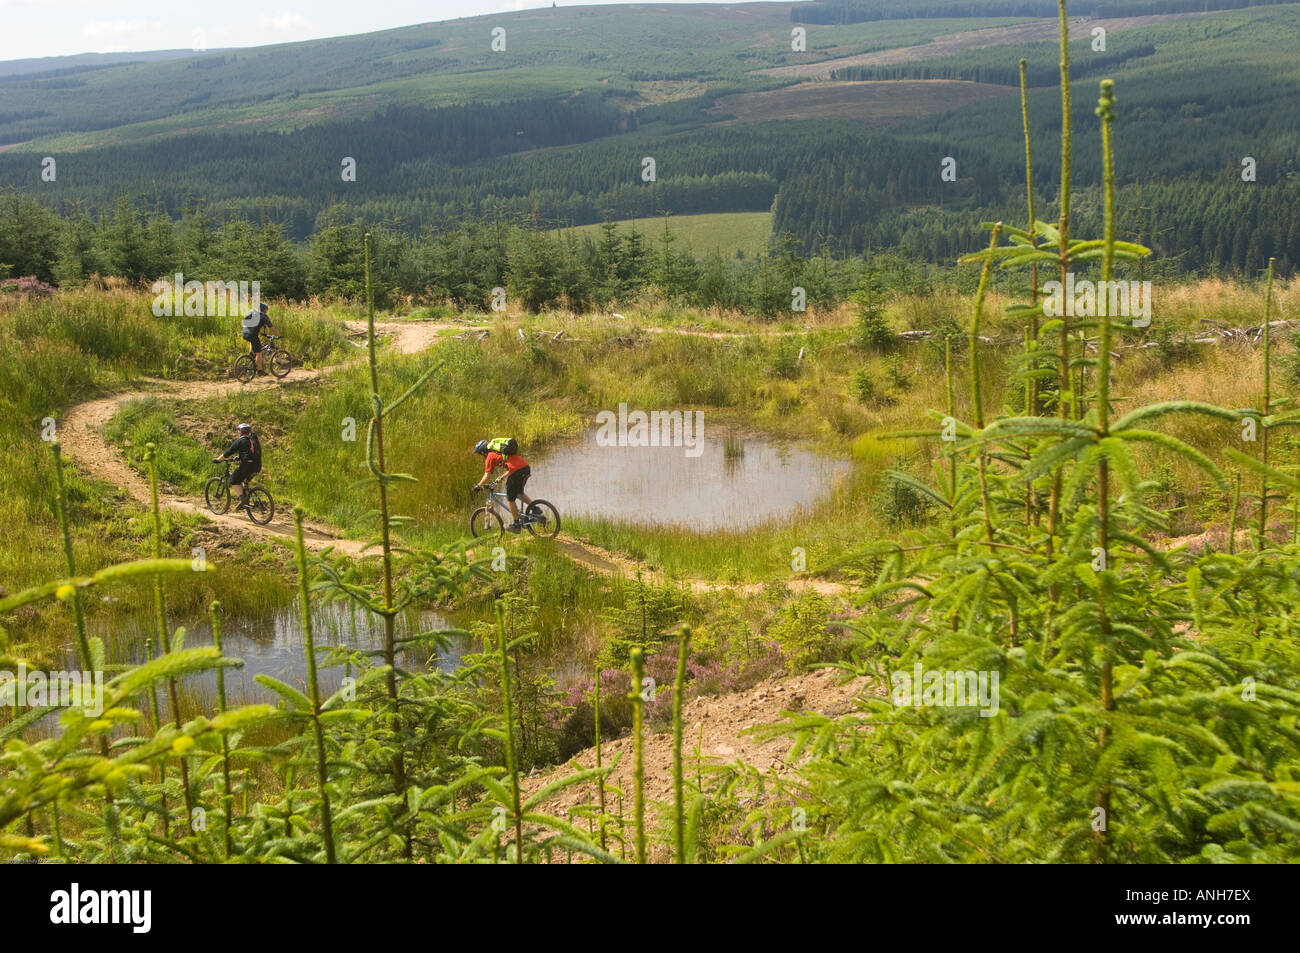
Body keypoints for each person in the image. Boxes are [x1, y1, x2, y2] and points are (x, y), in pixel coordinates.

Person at [472, 438, 532, 532]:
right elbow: (511, 468)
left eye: (480, 454)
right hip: (526, 468)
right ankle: (536, 509)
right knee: (519, 494)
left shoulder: (490, 457)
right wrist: (498, 479)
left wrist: (478, 486)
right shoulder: (501, 453)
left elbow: (487, 476)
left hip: (516, 471)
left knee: (510, 499)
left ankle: (516, 525)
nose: (481, 456)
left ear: (483, 452)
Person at [214, 423, 262, 510]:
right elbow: (249, 452)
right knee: (244, 480)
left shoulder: (240, 440)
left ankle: (243, 499)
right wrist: (239, 457)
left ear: (241, 432)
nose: (237, 432)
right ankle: (248, 500)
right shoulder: (254, 439)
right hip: (257, 466)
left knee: (234, 480)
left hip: (247, 466)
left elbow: (228, 452)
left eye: (238, 431)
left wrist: (218, 459)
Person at [241, 301, 276, 374]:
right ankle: (260, 371)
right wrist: (278, 335)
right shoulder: (263, 316)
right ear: (264, 309)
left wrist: (263, 334)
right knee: (259, 352)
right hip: (252, 334)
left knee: (253, 339)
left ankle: (251, 354)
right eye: (266, 309)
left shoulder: (251, 313)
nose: (266, 311)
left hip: (244, 333)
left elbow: (254, 326)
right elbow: (271, 327)